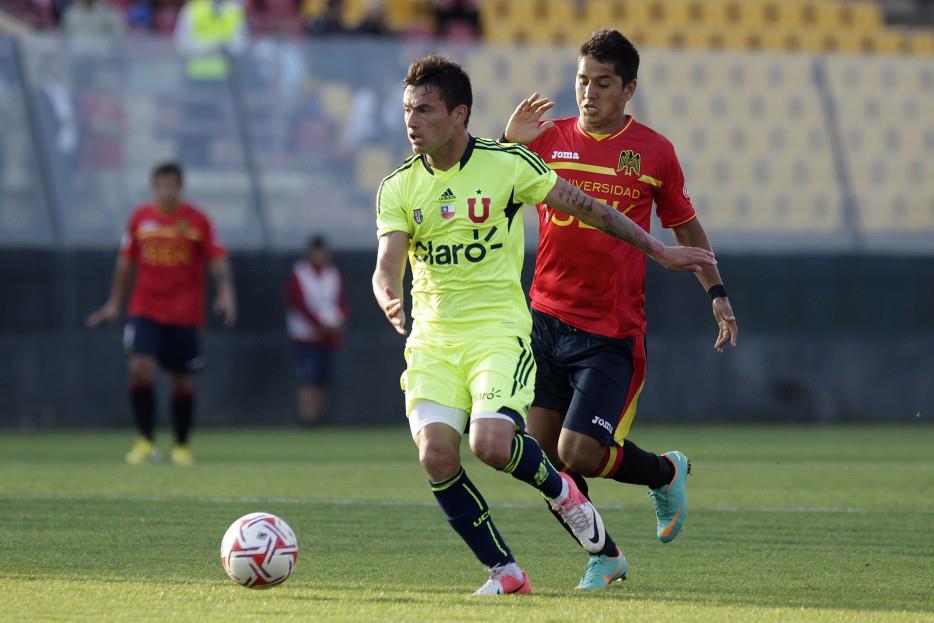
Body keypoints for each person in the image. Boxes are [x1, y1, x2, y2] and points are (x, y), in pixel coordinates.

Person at [372, 55, 715, 595]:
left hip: (501, 334)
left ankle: (570, 493)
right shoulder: (397, 186)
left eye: (425, 110)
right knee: (436, 456)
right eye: (407, 110)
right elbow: (387, 263)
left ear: (458, 114)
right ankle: (506, 573)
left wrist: (660, 251)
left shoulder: (506, 165)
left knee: (492, 443)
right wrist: (387, 292)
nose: (412, 121)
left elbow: (593, 209)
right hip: (433, 342)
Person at [502, 28, 740, 589]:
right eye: (582, 80)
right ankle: (604, 556)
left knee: (580, 452)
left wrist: (717, 292)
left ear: (628, 89)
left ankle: (665, 471)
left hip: (609, 333)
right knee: (541, 459)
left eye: (603, 83)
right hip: (544, 322)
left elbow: (686, 228)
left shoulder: (653, 152)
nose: (588, 93)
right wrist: (505, 142)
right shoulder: (544, 139)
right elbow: (486, 189)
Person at [86, 162, 237, 466]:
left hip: (185, 313)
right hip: (146, 309)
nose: (166, 190)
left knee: (182, 380)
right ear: (153, 188)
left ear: (181, 187)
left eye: (172, 184)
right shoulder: (140, 219)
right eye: (160, 185)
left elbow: (217, 262)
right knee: (140, 367)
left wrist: (225, 294)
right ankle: (145, 441)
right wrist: (115, 303)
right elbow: (125, 264)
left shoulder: (198, 221)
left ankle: (181, 446)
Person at [285, 235, 348, 424]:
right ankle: (306, 418)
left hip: (329, 335)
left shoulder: (333, 273)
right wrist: (318, 324)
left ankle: (318, 418)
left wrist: (339, 322)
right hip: (306, 335)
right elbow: (297, 303)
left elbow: (341, 302)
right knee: (308, 379)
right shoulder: (300, 273)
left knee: (323, 380)